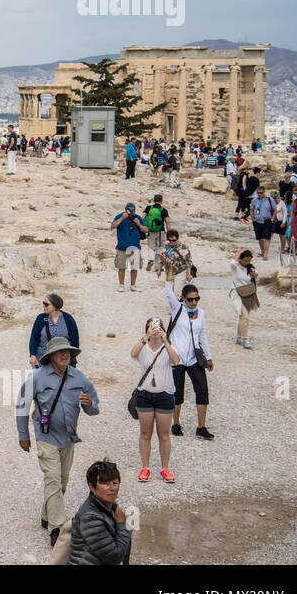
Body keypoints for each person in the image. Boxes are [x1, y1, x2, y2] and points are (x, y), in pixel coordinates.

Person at [16, 336, 100, 546]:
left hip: (69, 438)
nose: (65, 355)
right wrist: (23, 435)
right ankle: (57, 529)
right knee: (53, 479)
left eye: (68, 352)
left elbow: (94, 407)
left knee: (61, 481)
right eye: (60, 352)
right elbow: (22, 405)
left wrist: (90, 404)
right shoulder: (37, 377)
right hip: (46, 437)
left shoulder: (79, 378)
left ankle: (47, 514)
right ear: (50, 356)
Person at [131, 317, 179, 483]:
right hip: (145, 395)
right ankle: (145, 467)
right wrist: (145, 337)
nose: (155, 329)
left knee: (164, 434)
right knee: (145, 433)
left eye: (158, 326)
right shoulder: (143, 347)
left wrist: (166, 340)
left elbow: (176, 361)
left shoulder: (167, 347)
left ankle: (165, 468)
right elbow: (133, 353)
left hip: (165, 394)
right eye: (152, 327)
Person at [166, 279, 214, 440]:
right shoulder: (177, 309)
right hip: (177, 358)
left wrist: (208, 357)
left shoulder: (201, 313)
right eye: (190, 299)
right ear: (183, 299)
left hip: (194, 358)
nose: (194, 302)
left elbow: (203, 335)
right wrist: (169, 275)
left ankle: (201, 426)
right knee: (177, 393)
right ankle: (176, 423)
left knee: (202, 390)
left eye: (196, 299)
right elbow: (168, 293)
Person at [67, 460, 131, 565]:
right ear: (92, 487)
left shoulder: (110, 507)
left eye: (115, 483)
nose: (112, 488)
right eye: (105, 484)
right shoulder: (90, 517)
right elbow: (115, 557)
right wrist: (123, 525)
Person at [28, 293, 79, 368]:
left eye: (46, 304)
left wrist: (71, 357)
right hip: (43, 360)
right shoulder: (40, 318)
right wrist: (32, 355)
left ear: (55, 306)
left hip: (63, 361)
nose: (43, 306)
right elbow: (34, 338)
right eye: (43, 303)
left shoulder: (68, 319)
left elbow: (75, 340)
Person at [110, 202, 146, 292]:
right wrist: (122, 218)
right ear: (125, 210)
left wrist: (139, 224)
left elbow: (146, 230)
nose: (131, 214)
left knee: (135, 267)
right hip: (122, 246)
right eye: (130, 211)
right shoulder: (120, 216)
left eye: (133, 212)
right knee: (121, 267)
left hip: (135, 246)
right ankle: (121, 285)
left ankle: (133, 285)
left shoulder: (138, 217)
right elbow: (113, 226)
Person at [229, 249, 259, 350]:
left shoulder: (250, 268)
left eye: (248, 261)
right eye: (245, 260)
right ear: (240, 259)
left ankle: (239, 337)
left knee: (243, 317)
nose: (246, 262)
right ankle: (245, 339)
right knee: (244, 316)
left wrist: (254, 274)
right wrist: (240, 251)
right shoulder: (235, 266)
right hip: (236, 292)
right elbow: (232, 262)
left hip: (248, 293)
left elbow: (256, 274)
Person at [144, 194, 169, 275]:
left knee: (151, 246)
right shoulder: (163, 210)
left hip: (150, 231)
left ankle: (150, 260)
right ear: (161, 201)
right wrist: (169, 233)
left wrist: (143, 227)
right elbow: (167, 222)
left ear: (153, 200)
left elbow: (142, 217)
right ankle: (157, 266)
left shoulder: (148, 208)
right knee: (160, 248)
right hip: (160, 231)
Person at [249, 187, 277, 260]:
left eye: (261, 193)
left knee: (266, 238)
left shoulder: (270, 200)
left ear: (264, 192)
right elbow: (251, 209)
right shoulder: (254, 200)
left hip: (267, 221)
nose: (259, 194)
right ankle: (262, 251)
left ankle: (265, 254)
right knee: (260, 238)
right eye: (258, 193)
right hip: (257, 221)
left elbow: (275, 209)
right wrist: (253, 219)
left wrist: (273, 218)